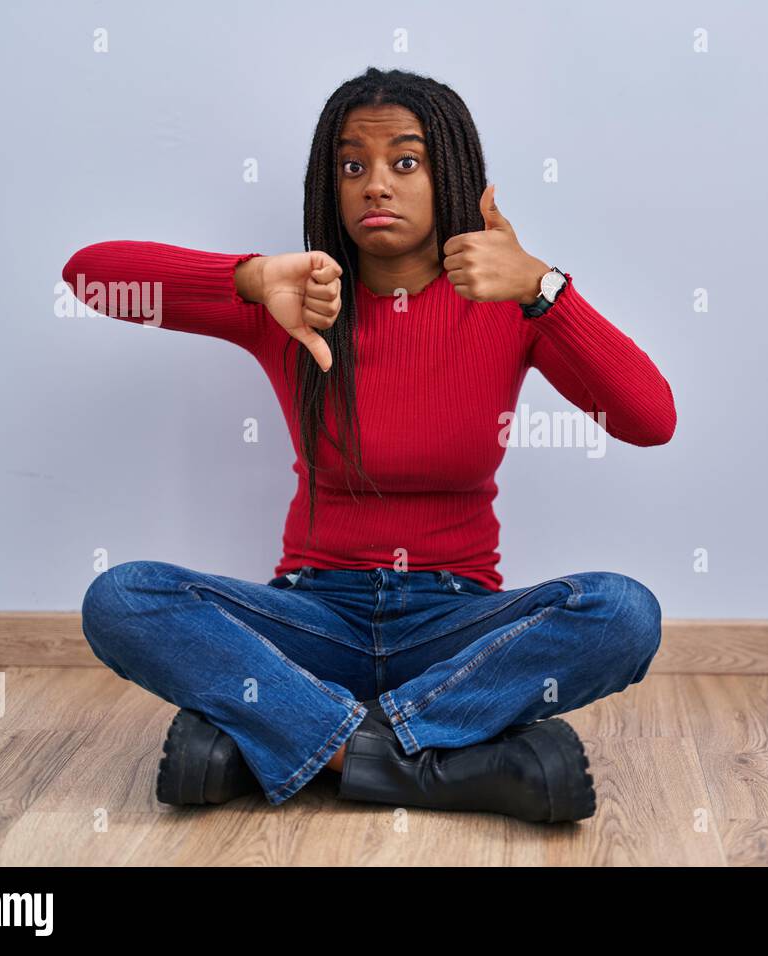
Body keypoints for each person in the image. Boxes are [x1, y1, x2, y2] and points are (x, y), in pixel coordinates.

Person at [66, 66, 676, 823]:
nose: (375, 184)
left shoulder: (509, 304)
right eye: (352, 165)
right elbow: (88, 276)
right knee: (123, 597)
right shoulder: (296, 301)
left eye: (404, 162)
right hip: (312, 619)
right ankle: (424, 757)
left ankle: (291, 743)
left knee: (622, 611)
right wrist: (252, 279)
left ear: (450, 174)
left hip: (453, 626)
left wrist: (543, 289)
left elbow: (651, 420)